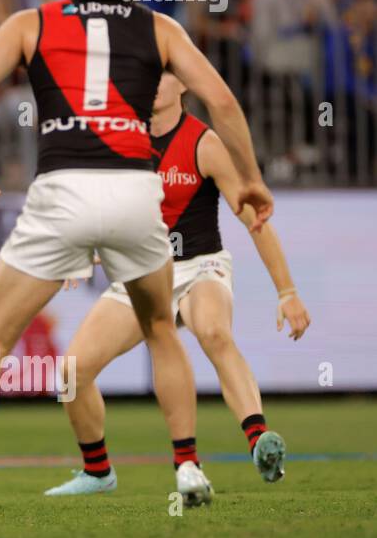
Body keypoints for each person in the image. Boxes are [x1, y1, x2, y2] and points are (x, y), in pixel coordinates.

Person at [0, 0, 274, 527]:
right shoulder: (159, 27)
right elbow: (223, 101)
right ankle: (187, 465)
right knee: (160, 328)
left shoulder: (31, 23)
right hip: (134, 192)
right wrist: (251, 176)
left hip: (62, 192)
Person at [46, 72, 311, 495]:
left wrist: (287, 292)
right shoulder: (121, 140)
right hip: (141, 273)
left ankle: (258, 438)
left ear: (184, 84)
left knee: (212, 330)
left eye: (160, 73)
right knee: (70, 374)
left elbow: (255, 222)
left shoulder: (205, 144)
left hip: (199, 265)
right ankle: (98, 472)